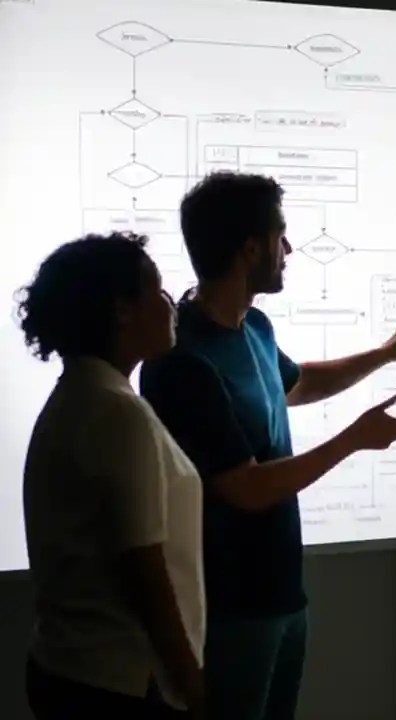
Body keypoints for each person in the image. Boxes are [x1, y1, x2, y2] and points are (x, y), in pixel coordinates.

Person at [139, 171, 396, 720]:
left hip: (281, 597)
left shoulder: (253, 326)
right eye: (281, 235)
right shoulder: (181, 361)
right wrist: (354, 440)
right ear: (249, 248)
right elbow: (245, 488)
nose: (289, 248)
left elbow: (301, 384)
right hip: (226, 610)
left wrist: (386, 353)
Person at [17, 232, 204, 718]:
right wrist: (191, 683)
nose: (170, 304)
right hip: (116, 683)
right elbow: (143, 568)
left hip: (73, 671)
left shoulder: (80, 398)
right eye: (159, 292)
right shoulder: (116, 412)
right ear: (122, 310)